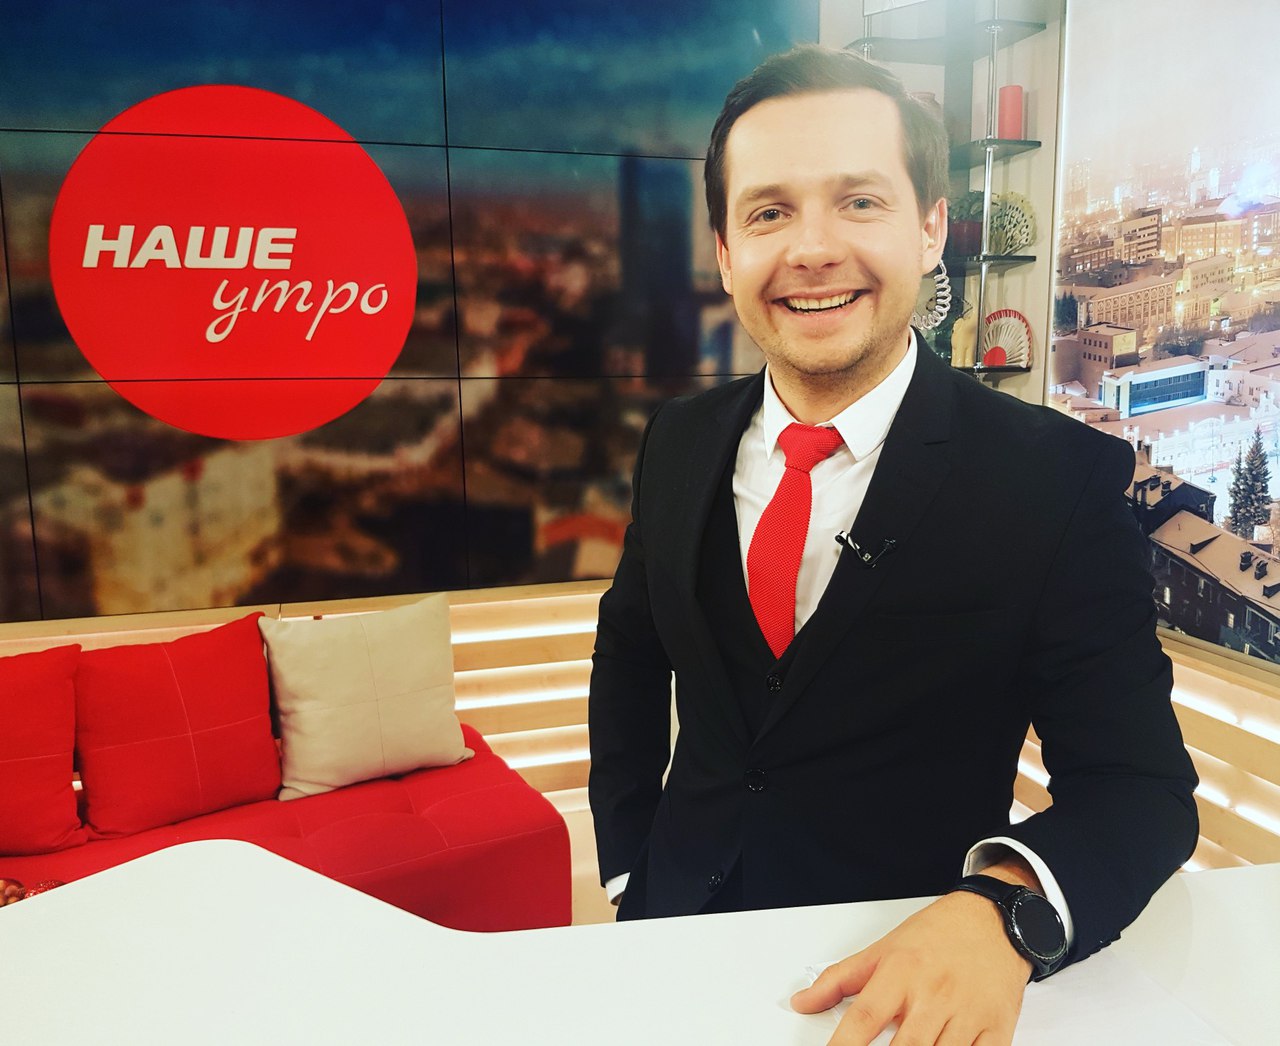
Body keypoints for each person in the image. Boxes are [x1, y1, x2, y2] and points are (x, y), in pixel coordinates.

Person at [588, 44, 1198, 1046]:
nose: (811, 248)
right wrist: (626, 861)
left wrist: (1000, 911)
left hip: (900, 986)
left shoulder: (1055, 479)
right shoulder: (677, 439)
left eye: (859, 201)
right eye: (768, 212)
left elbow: (1138, 789)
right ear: (724, 253)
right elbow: (628, 651)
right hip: (674, 937)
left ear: (930, 229)